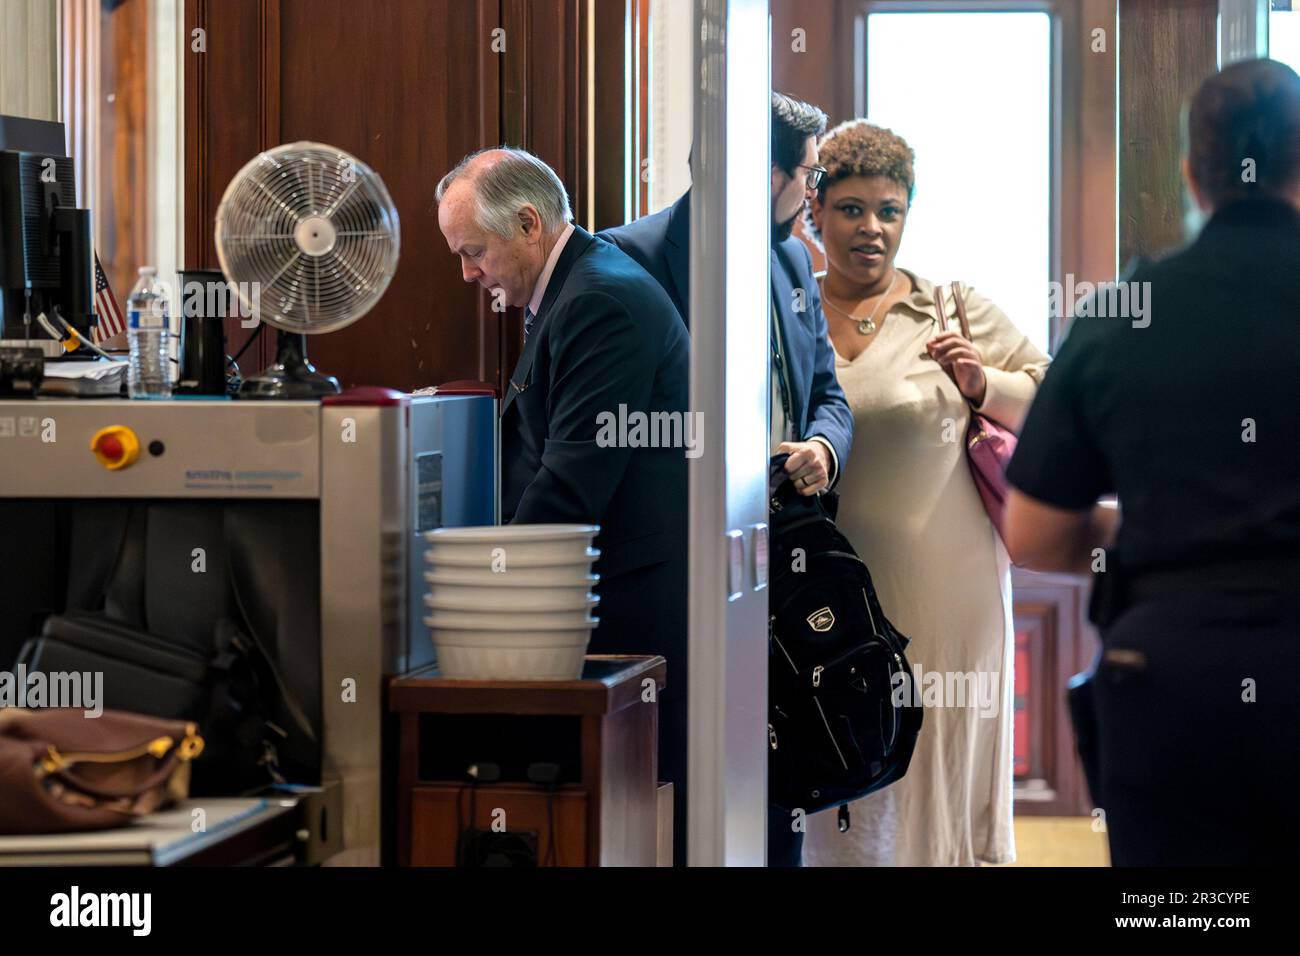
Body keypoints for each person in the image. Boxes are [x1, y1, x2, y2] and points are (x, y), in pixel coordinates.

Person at [1003, 58, 1300, 865]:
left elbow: (1033, 534)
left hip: (1169, 677)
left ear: (1193, 174)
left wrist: (1155, 527)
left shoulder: (1120, 316)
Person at [601, 92, 854, 867]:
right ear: (765, 174)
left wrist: (823, 447)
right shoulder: (630, 258)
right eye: (808, 177)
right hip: (673, 581)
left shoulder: (793, 261)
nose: (812, 197)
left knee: (779, 784)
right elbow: (612, 428)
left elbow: (827, 392)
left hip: (784, 568)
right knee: (684, 802)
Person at [797, 120, 1049, 867]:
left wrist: (982, 382)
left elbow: (1057, 400)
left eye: (890, 210)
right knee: (838, 768)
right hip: (822, 604)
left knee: (933, 776)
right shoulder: (786, 311)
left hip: (945, 601)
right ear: (816, 210)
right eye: (851, 208)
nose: (871, 228)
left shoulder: (948, 308)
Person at [436, 148, 692, 861]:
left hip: (628, 613)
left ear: (528, 223)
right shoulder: (577, 284)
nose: (468, 274)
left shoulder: (598, 299)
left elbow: (569, 488)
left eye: (474, 252)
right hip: (602, 601)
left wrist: (476, 592)